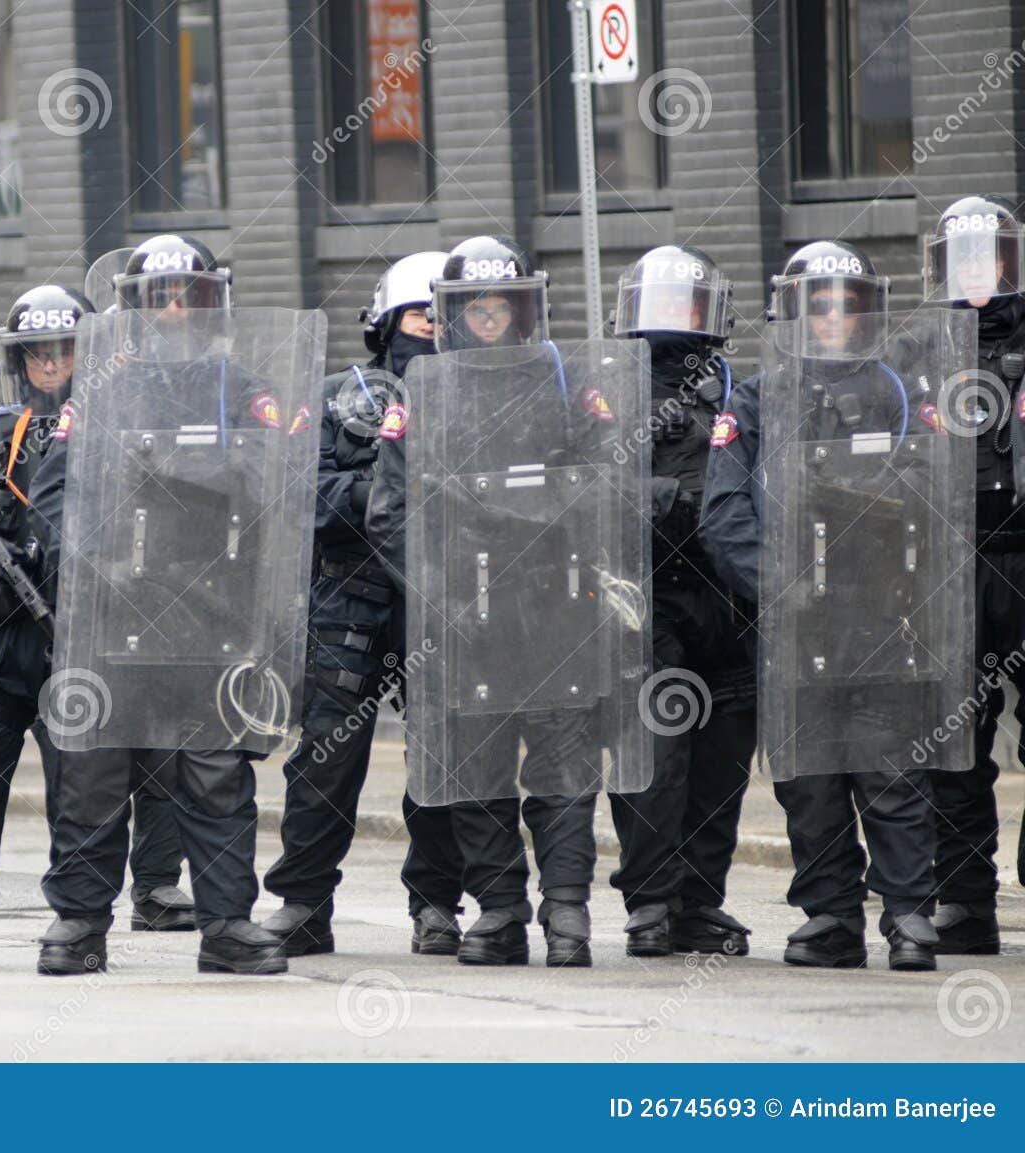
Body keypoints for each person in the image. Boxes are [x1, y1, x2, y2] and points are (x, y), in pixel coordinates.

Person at [0, 285, 191, 966]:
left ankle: (81, 921)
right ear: (19, 362)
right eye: (40, 356)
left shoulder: (126, 428)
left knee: (83, 788)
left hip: (84, 635)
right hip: (2, 638)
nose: (53, 367)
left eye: (67, 354)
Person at [26, 235, 301, 976]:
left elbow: (266, 477)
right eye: (160, 299)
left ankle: (227, 925)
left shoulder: (242, 389)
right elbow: (56, 498)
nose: (175, 309)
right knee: (94, 772)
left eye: (188, 296)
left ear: (211, 302)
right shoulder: (105, 390)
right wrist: (89, 564)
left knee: (214, 773)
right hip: (118, 605)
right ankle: (80, 921)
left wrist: (170, 469)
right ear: (137, 310)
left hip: (213, 609)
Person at [367, 236, 621, 967]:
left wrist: (572, 561)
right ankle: (501, 909)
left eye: (498, 305)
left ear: (522, 308)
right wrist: (442, 592)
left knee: (563, 767)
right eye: (472, 307)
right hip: (466, 612)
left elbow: (609, 481)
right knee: (474, 771)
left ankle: (567, 910)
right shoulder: (426, 391)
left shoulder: (567, 382)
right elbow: (391, 511)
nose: (486, 319)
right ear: (451, 313)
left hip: (556, 608)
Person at [702, 240, 945, 971]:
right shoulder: (755, 397)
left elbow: (936, 500)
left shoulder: (902, 392)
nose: (836, 319)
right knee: (808, 780)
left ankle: (908, 916)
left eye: (848, 305)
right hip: (795, 622)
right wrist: (779, 589)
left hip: (879, 615)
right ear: (796, 314)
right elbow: (724, 512)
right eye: (822, 306)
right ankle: (832, 915)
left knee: (892, 772)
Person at [262, 250, 445, 957]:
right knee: (326, 759)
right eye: (420, 316)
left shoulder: (482, 396)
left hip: (441, 596)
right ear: (388, 321)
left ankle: (437, 905)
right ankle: (304, 901)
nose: (432, 330)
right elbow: (296, 493)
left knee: (442, 758)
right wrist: (378, 497)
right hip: (349, 597)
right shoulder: (341, 394)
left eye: (444, 317)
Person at [606, 245, 756, 957]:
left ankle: (699, 899)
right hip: (649, 597)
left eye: (684, 305)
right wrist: (678, 501)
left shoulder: (737, 390)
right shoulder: (607, 394)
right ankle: (651, 900)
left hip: (727, 597)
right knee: (656, 754)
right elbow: (592, 493)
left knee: (724, 755)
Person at [924, 195, 1025, 955]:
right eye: (962, 262)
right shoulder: (921, 356)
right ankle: (964, 899)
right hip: (953, 560)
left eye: (988, 259)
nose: (976, 276)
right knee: (955, 744)